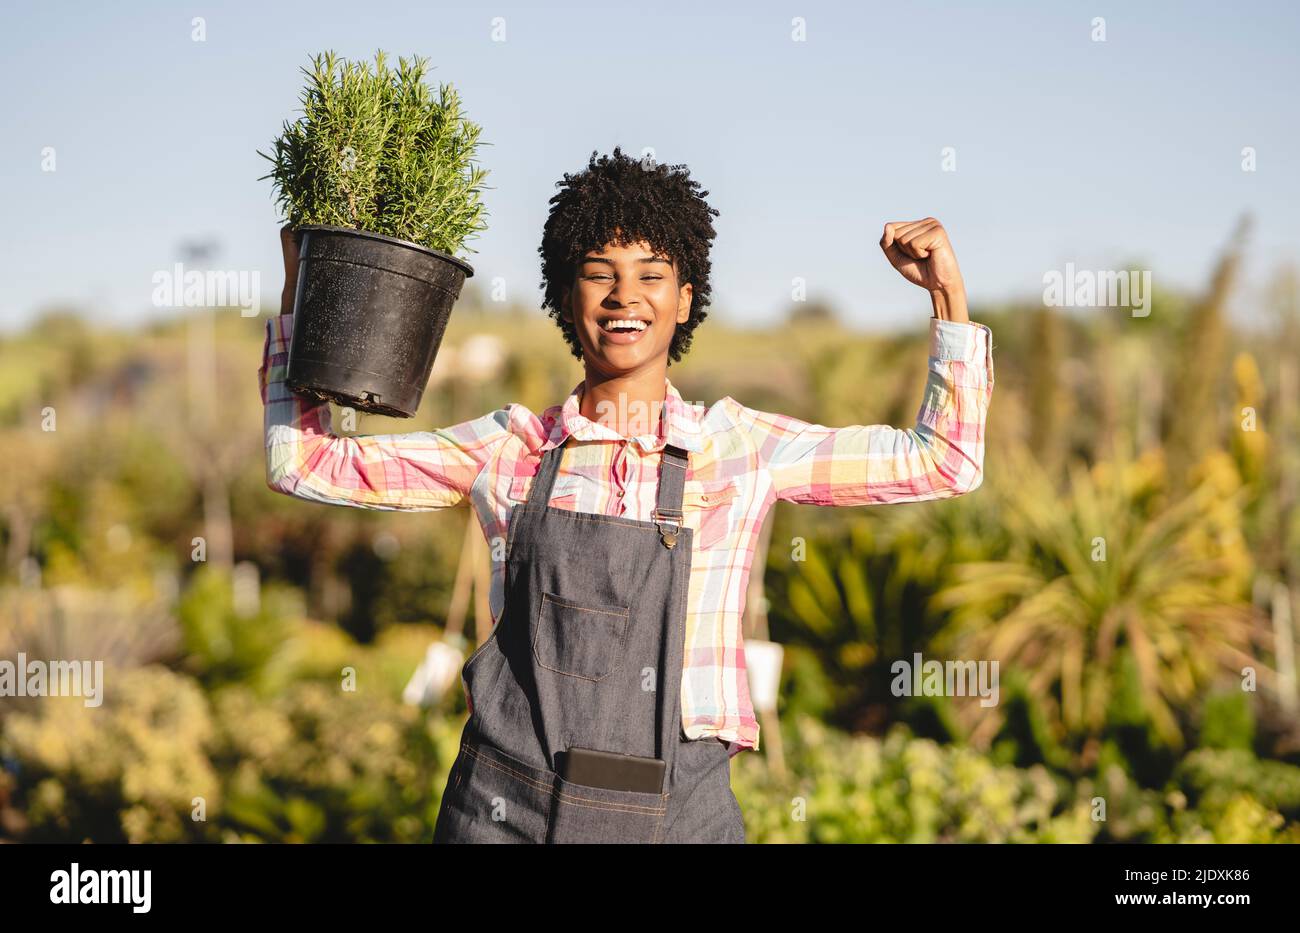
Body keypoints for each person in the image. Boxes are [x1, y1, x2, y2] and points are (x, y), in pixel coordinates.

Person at [259, 146, 994, 843]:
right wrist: (306, 289)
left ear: (684, 299)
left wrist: (946, 293)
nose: (624, 296)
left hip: (679, 816)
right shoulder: (511, 448)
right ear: (563, 293)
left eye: (651, 274)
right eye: (598, 271)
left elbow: (945, 460)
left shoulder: (737, 450)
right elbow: (307, 463)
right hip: (503, 808)